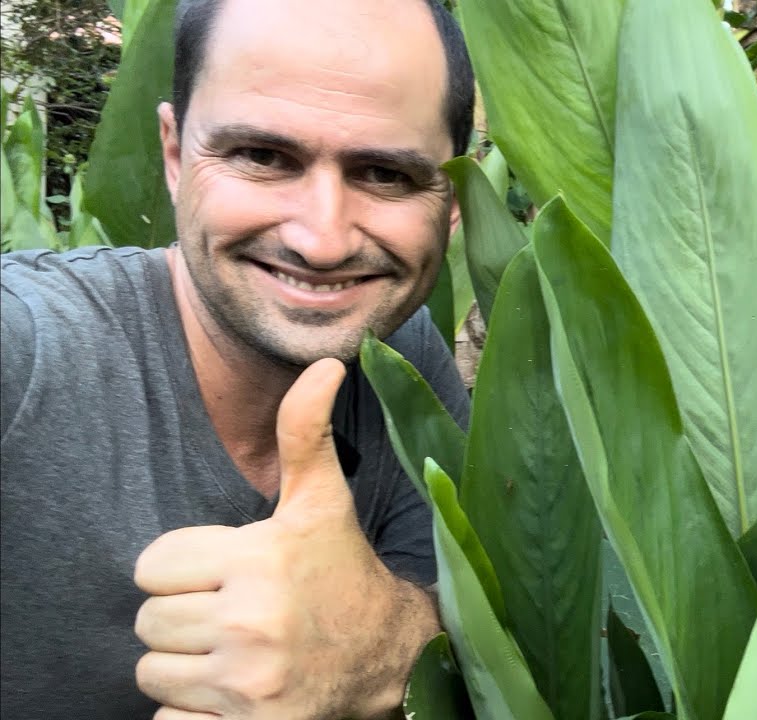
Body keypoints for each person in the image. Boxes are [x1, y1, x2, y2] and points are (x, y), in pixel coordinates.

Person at [0, 0, 474, 716]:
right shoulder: (29, 347)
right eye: (261, 156)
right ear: (172, 152)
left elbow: (469, 622)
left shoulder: (400, 355)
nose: (323, 242)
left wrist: (383, 646)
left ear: (454, 198)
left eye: (385, 174)